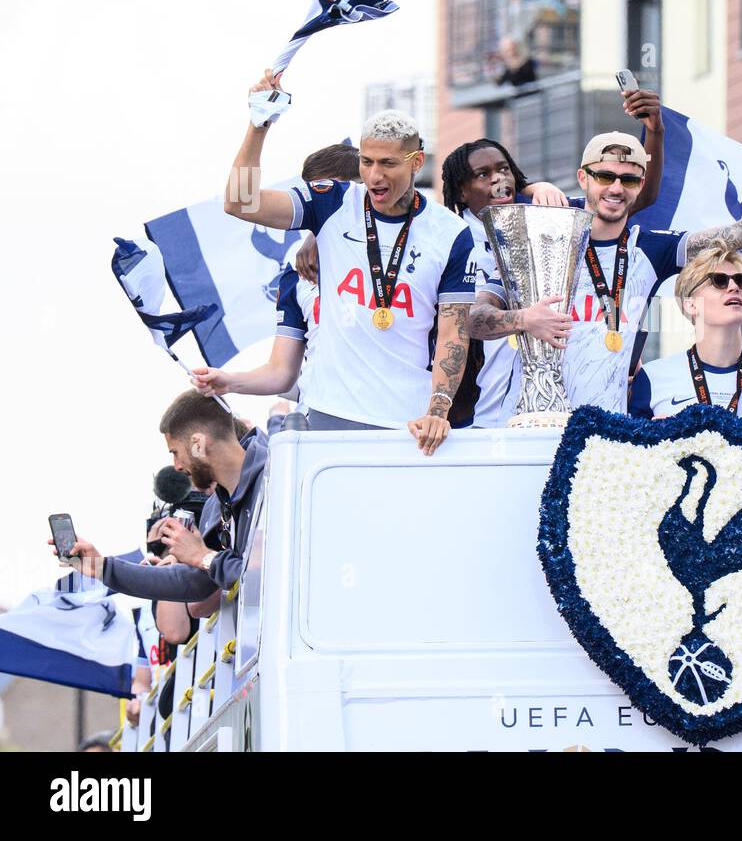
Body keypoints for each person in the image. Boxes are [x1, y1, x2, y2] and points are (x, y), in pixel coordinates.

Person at [223, 69, 477, 454]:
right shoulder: (331, 201)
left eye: (388, 164)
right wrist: (259, 125)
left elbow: (453, 333)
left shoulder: (451, 232)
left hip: (407, 421)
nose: (374, 175)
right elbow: (240, 203)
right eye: (367, 161)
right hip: (329, 412)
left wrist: (438, 410)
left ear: (416, 161)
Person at [472, 130, 742, 414]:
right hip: (530, 422)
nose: (616, 188)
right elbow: (473, 320)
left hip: (605, 432)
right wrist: (523, 320)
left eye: (629, 179)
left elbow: (739, 235)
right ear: (582, 178)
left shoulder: (652, 249)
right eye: (605, 176)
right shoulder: (541, 237)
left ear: (640, 184)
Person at [447, 89, 665, 425]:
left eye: (505, 169)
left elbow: (632, 197)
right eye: (483, 174)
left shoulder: (544, 222)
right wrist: (523, 319)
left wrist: (655, 133)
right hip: (481, 405)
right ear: (461, 190)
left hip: (546, 402)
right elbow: (464, 321)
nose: (498, 179)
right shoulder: (451, 238)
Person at [56, 392, 268, 602]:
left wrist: (202, 556)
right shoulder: (216, 509)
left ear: (198, 444)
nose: (176, 466)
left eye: (175, 452)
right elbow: (192, 582)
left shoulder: (277, 478)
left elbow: (272, 579)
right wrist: (102, 567)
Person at [192, 143, 358, 409]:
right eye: (314, 195)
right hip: (322, 418)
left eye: (333, 193)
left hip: (393, 419)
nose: (323, 206)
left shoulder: (409, 252)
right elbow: (280, 372)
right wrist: (230, 382)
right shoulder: (298, 278)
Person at [630, 246, 742, 419]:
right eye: (719, 281)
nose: (733, 287)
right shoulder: (652, 378)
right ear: (691, 304)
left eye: (741, 280)